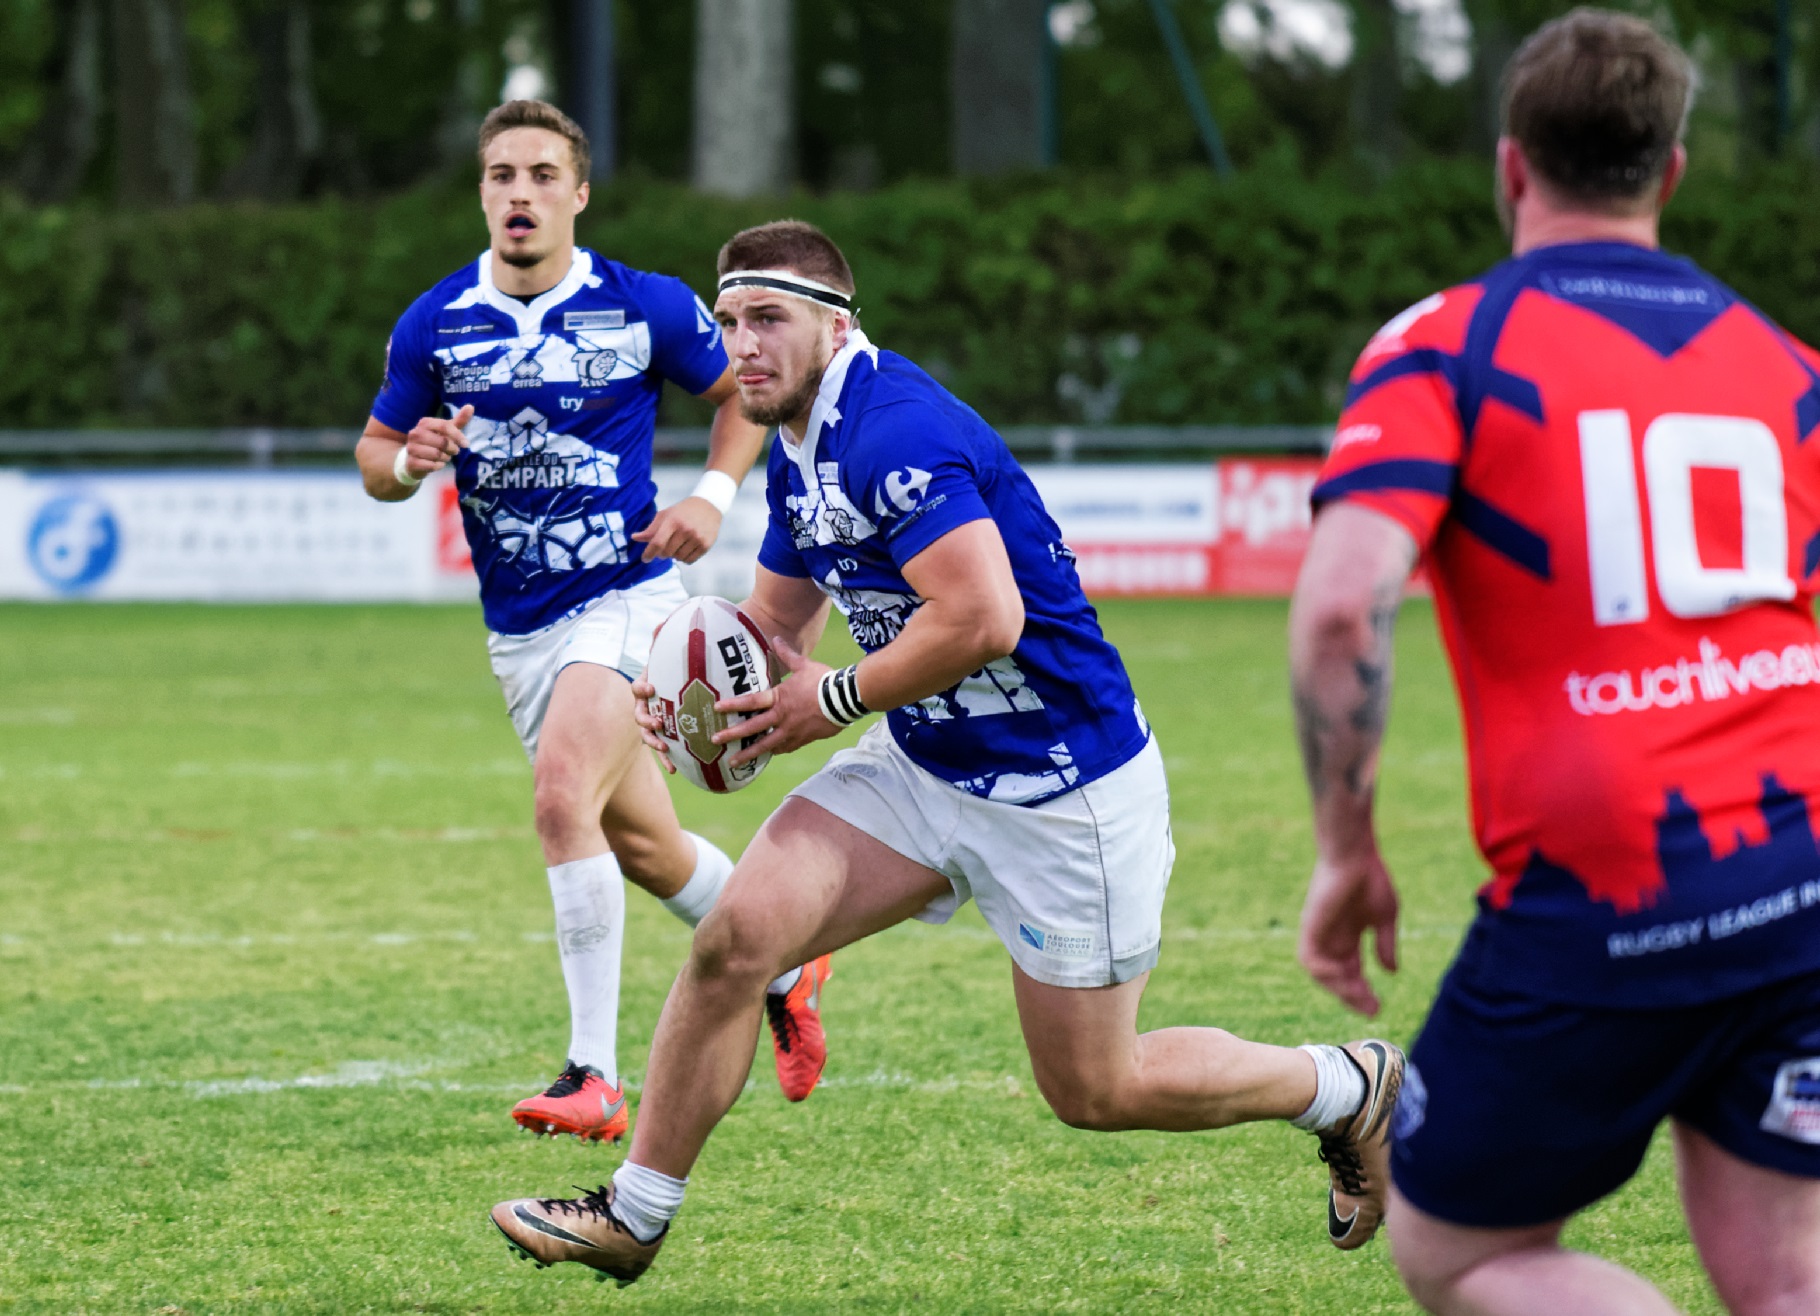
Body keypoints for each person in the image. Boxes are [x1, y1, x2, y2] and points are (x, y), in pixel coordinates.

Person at [488, 218, 1404, 1287]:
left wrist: (821, 702)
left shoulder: (892, 429)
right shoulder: (795, 445)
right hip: (923, 762)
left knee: (1095, 1088)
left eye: (768, 318)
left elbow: (982, 616)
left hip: (1060, 785)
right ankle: (631, 1215)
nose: (742, 343)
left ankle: (1346, 1085)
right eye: (730, 319)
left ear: (836, 326)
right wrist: (691, 692)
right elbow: (776, 628)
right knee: (737, 941)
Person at [1289, 11, 1820, 1314]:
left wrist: (1347, 849)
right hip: (1801, 866)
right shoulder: (1786, 363)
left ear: (1511, 166)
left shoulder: (1443, 346)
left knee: (1463, 1251)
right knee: (1785, 1268)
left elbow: (1344, 611)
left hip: (1608, 884)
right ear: (1673, 172)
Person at [354, 101, 833, 1146]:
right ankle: (792, 967)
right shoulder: (434, 321)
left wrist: (710, 493)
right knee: (645, 846)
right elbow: (375, 452)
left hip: (623, 599)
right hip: (518, 628)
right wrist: (407, 463)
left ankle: (592, 1073)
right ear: (481, 192)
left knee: (560, 793)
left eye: (538, 174)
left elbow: (738, 395)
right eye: (499, 175)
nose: (517, 193)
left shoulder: (642, 305)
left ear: (577, 193)